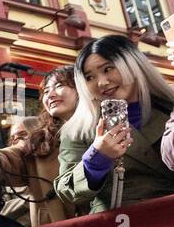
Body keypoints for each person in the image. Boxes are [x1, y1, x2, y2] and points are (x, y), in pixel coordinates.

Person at [57, 35, 174, 214]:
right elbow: (66, 192)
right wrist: (95, 160)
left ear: (132, 64)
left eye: (108, 68)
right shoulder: (79, 129)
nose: (101, 83)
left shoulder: (169, 107)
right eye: (89, 77)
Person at [0, 66, 73, 226]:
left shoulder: (103, 128)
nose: (51, 94)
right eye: (46, 91)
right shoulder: (39, 143)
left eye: (60, 85)